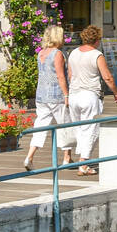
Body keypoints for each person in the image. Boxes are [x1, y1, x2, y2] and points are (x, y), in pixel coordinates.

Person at [66, 25, 117, 175]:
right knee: (91, 129)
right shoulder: (97, 55)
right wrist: (115, 92)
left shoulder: (73, 53)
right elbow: (107, 77)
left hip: (74, 95)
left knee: (80, 128)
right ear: (96, 40)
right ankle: (83, 164)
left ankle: (82, 159)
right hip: (89, 95)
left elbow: (70, 75)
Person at [23, 25, 76, 171]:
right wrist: (66, 94)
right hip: (56, 95)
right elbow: (60, 76)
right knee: (65, 125)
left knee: (40, 126)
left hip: (41, 95)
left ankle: (30, 156)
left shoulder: (41, 53)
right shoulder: (57, 53)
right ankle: (67, 157)